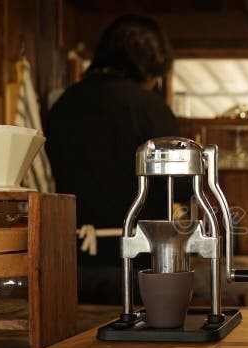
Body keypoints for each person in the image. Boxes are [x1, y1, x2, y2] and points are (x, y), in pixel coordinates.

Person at [46, 14, 180, 304]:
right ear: (148, 67)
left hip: (72, 262)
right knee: (141, 346)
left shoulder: (63, 104)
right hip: (140, 264)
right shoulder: (149, 108)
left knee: (74, 347)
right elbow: (178, 187)